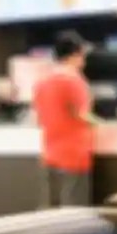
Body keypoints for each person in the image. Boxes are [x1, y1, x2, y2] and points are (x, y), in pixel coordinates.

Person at [34, 30, 101, 208]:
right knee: (74, 214)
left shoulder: (42, 81)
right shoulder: (74, 80)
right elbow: (82, 115)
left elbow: (40, 117)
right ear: (76, 54)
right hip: (74, 156)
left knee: (49, 212)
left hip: (49, 155)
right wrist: (107, 124)